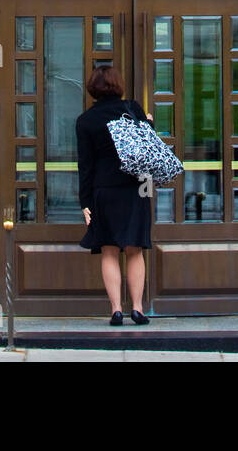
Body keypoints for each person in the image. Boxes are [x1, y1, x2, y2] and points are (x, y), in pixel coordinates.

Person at [76, 64, 153, 326]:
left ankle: (116, 310)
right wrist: (149, 123)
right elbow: (148, 149)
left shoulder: (86, 120)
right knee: (134, 249)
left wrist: (85, 202)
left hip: (103, 191)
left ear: (92, 89)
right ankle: (139, 309)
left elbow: (85, 166)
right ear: (118, 85)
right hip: (135, 188)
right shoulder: (132, 110)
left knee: (109, 251)